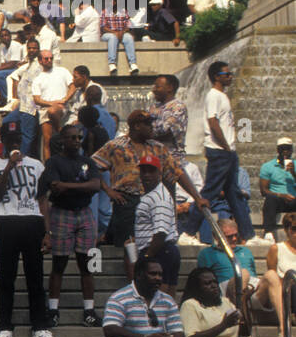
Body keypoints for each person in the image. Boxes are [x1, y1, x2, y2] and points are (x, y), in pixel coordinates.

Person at [0, 123, 58, 337]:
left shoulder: (36, 165)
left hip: (33, 223)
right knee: (6, 278)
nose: (15, 143)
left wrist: (48, 232)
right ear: (2, 140)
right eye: (10, 139)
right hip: (7, 223)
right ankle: (5, 327)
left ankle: (40, 327)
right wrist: (8, 169)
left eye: (18, 139)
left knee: (35, 278)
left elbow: (43, 200)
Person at [92, 109, 207, 252]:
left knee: (150, 242)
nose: (152, 126)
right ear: (137, 126)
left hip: (152, 200)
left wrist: (197, 198)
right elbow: (92, 166)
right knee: (129, 246)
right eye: (148, 124)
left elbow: (177, 173)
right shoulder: (115, 146)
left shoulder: (158, 148)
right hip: (126, 200)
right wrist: (109, 191)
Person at [39, 124, 103, 328]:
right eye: (72, 138)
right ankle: (53, 309)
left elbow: (96, 185)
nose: (77, 141)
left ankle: (89, 310)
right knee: (59, 263)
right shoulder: (54, 162)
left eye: (79, 137)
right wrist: (74, 188)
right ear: (63, 140)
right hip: (62, 212)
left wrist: (68, 186)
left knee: (88, 264)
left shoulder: (87, 161)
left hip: (84, 213)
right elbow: (54, 188)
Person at [200, 61, 256, 243]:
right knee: (208, 192)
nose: (231, 76)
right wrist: (225, 146)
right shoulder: (213, 95)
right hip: (219, 151)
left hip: (228, 152)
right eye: (227, 74)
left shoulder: (223, 96)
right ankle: (188, 230)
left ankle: (249, 235)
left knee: (235, 195)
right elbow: (212, 122)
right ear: (217, 77)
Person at [132, 154, 180, 297]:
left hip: (160, 252)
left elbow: (161, 233)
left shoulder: (159, 198)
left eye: (151, 171)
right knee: (165, 298)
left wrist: (147, 258)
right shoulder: (152, 194)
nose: (146, 175)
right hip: (162, 251)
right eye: (143, 170)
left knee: (157, 298)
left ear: (159, 173)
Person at [29, 50, 74, 163]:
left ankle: (60, 133)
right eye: (46, 59)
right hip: (45, 109)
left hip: (61, 107)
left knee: (53, 111)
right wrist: (52, 103)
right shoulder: (37, 79)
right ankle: (48, 166)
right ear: (40, 61)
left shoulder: (62, 71)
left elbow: (72, 86)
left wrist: (65, 99)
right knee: (47, 140)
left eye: (51, 58)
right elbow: (37, 99)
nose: (49, 61)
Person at [256, 212, 296, 315]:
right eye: (294, 229)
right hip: (285, 291)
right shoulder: (276, 249)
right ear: (287, 230)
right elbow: (273, 277)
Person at [99, 0, 138, 75]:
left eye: (115, 0)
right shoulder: (104, 12)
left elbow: (129, 25)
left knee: (129, 37)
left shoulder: (123, 11)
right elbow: (103, 27)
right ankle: (112, 64)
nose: (112, 2)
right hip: (108, 34)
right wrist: (115, 33)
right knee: (113, 37)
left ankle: (133, 64)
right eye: (110, 0)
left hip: (121, 33)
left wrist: (122, 32)